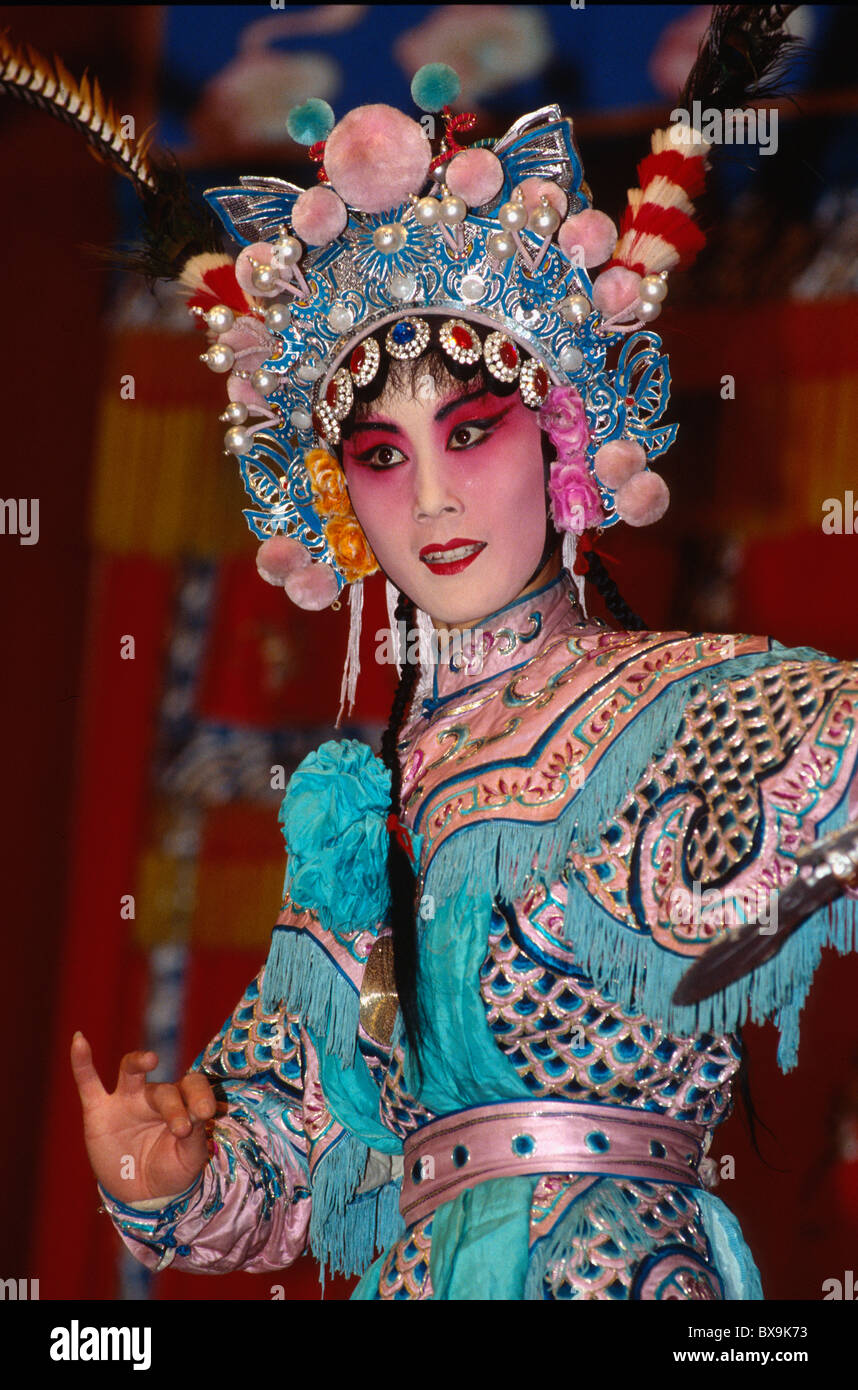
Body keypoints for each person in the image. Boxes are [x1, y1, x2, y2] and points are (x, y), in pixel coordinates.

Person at [65, 43, 858, 1300]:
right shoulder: (359, 813)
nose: (431, 498)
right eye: (382, 455)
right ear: (333, 498)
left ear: (566, 434)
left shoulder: (698, 701)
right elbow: (293, 1136)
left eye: (472, 431)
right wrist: (173, 1174)